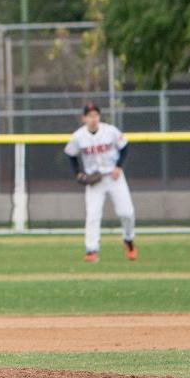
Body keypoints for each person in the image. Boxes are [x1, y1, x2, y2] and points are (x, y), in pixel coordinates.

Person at [63, 102, 137, 263]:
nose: (93, 118)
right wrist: (78, 173)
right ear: (84, 118)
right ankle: (91, 250)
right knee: (93, 215)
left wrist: (119, 166)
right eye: (90, 116)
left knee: (126, 212)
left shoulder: (110, 131)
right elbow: (70, 154)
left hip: (114, 177)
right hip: (94, 180)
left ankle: (128, 239)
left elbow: (124, 147)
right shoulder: (78, 136)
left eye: (96, 115)